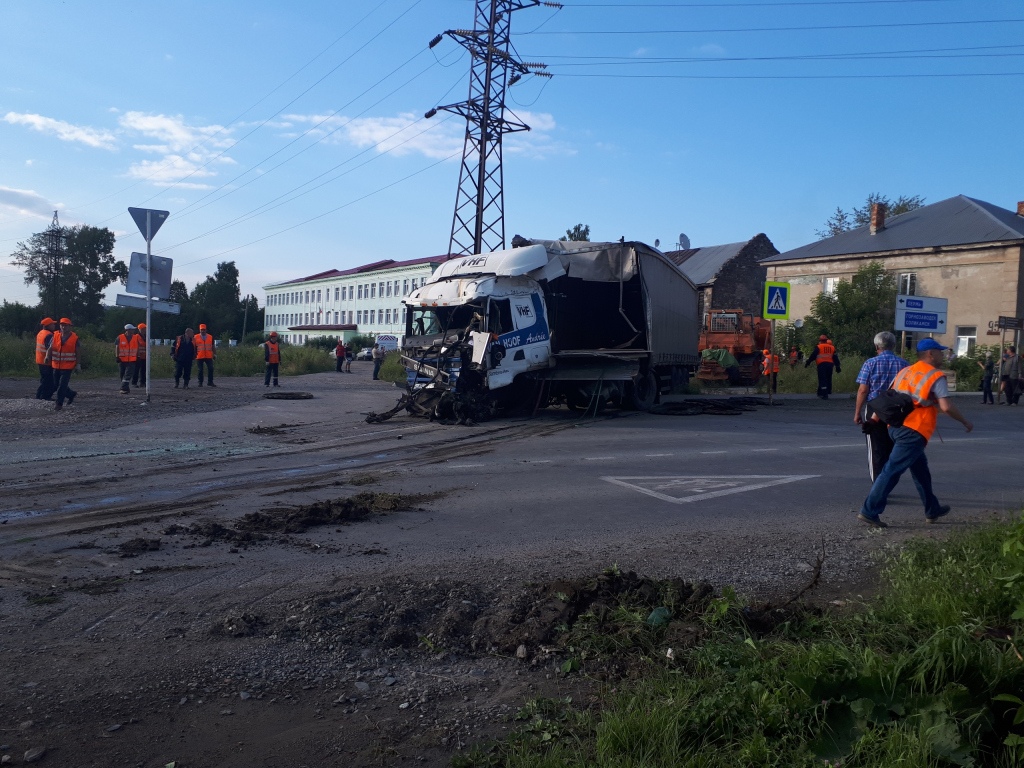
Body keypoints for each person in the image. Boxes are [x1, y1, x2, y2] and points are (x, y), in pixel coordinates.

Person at [857, 338, 973, 528]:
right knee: (891, 470)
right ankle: (869, 511)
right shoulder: (935, 376)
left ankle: (932, 509)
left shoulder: (905, 371)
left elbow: (888, 398)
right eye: (940, 352)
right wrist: (965, 421)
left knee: (921, 471)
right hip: (914, 431)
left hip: (895, 427)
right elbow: (946, 406)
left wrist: (874, 419)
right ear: (930, 354)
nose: (943, 355)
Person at [854, 331, 910, 481]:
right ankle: (888, 481)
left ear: (876, 346)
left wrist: (857, 412)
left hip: (875, 408)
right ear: (893, 345)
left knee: (876, 450)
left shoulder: (870, 363)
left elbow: (863, 390)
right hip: (897, 410)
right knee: (892, 448)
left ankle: (878, 485)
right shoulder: (904, 365)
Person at [45, 317, 79, 412]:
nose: (63, 327)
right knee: (56, 385)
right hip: (56, 365)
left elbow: (78, 352)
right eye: (62, 325)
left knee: (62, 385)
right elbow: (50, 348)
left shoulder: (74, 338)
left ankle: (59, 403)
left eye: (66, 325)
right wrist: (47, 356)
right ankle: (71, 394)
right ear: (60, 326)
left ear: (70, 327)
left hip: (68, 366)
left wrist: (78, 364)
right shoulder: (55, 336)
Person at [805, 334, 841, 399]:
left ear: (820, 340)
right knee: (828, 378)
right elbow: (835, 358)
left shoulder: (819, 347)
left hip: (821, 364)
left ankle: (824, 394)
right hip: (830, 365)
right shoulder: (832, 347)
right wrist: (837, 366)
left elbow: (813, 355)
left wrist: (808, 362)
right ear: (826, 340)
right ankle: (822, 392)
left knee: (822, 379)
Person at [35, 317, 58, 400]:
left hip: (40, 360)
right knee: (49, 381)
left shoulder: (40, 333)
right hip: (47, 361)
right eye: (52, 324)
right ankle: (45, 397)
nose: (54, 325)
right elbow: (50, 348)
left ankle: (39, 396)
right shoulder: (49, 335)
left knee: (44, 380)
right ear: (48, 325)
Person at [115, 324, 140, 394]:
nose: (133, 330)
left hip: (132, 360)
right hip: (122, 359)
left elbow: (137, 347)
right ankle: (125, 387)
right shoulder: (120, 337)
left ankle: (124, 388)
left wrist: (138, 356)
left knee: (128, 374)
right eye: (132, 329)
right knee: (122, 375)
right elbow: (117, 347)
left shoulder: (135, 337)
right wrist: (117, 356)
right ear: (128, 330)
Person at [132, 323, 148, 388]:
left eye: (145, 329)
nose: (145, 330)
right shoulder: (136, 337)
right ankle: (134, 383)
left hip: (145, 356)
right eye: (144, 329)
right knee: (136, 370)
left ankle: (142, 382)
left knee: (143, 370)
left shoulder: (146, 336)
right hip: (138, 356)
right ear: (140, 329)